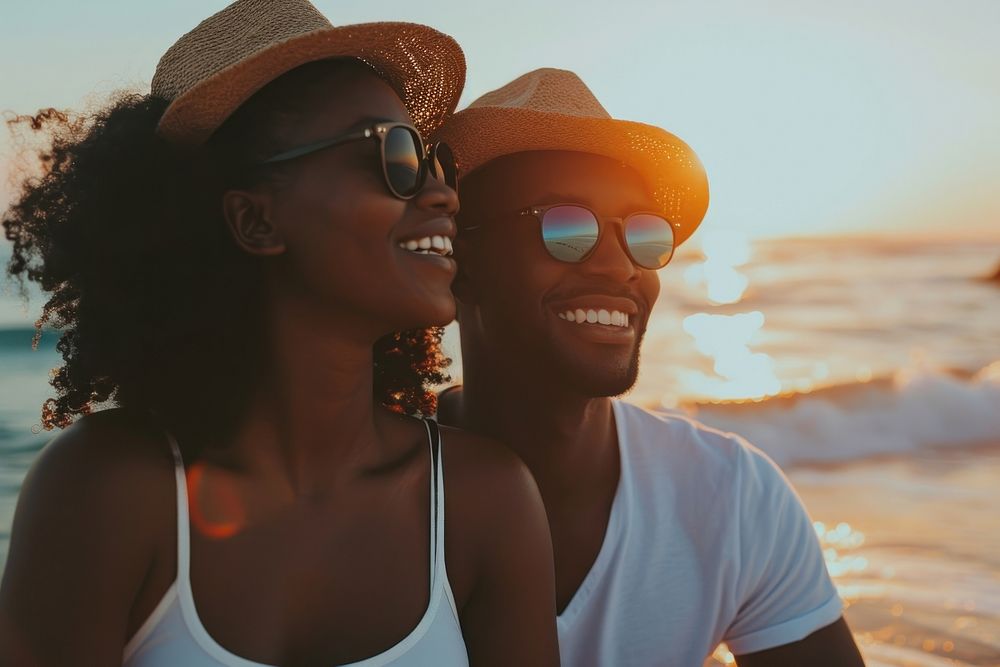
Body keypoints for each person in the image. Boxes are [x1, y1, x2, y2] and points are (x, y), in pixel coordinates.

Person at [0, 3, 559, 666]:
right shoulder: (108, 492)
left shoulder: (483, 499)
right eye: (395, 154)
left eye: (437, 162)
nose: (442, 194)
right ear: (256, 221)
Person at [433, 68, 866, 666]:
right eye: (565, 227)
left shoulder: (732, 496)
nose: (619, 266)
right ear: (458, 261)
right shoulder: (366, 503)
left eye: (643, 234)